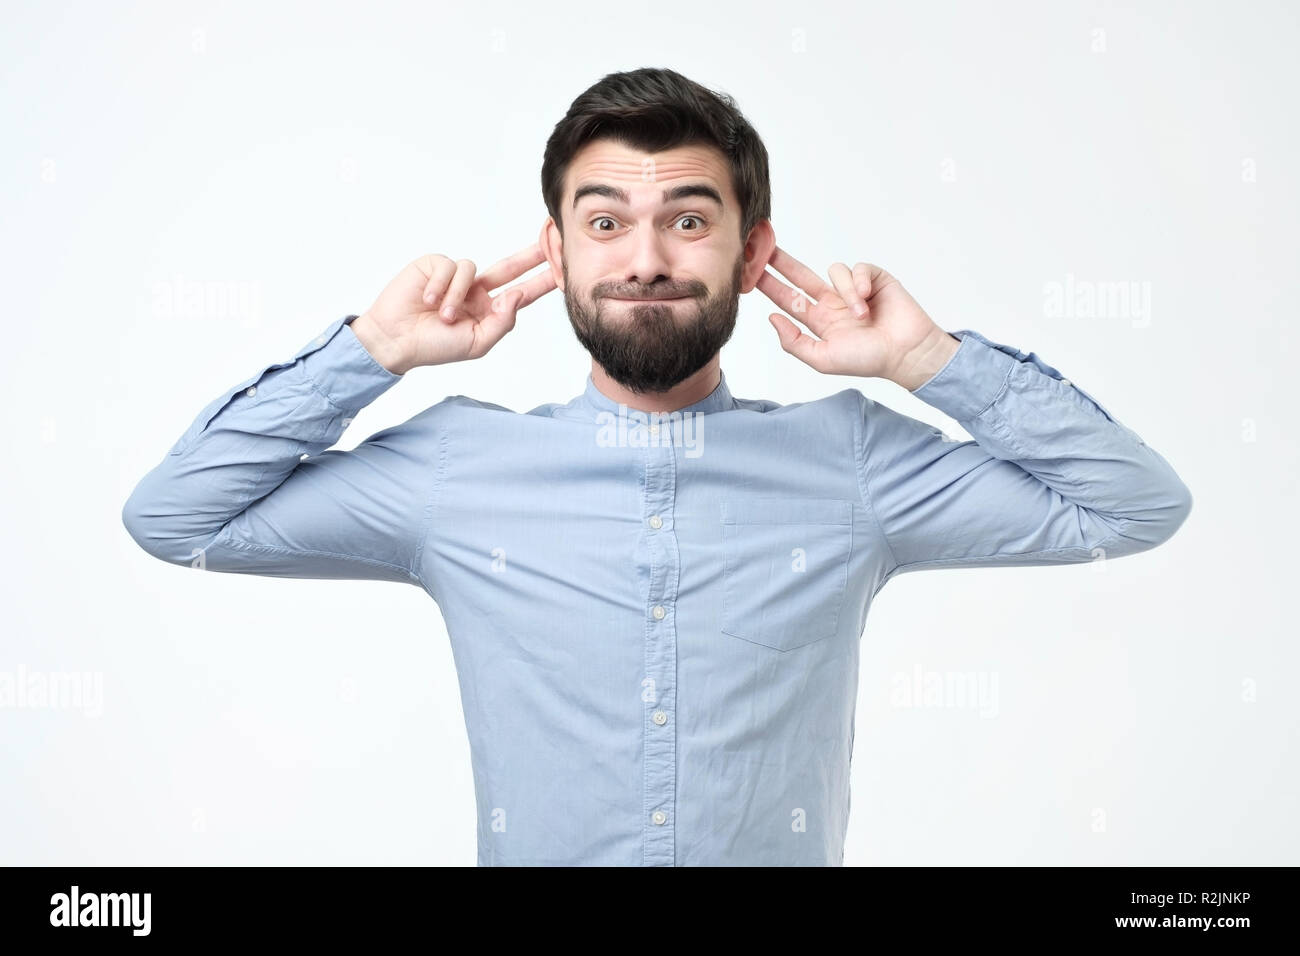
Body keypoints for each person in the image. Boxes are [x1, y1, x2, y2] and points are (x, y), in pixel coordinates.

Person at [121, 67, 1192, 866]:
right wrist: (372, 351)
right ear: (557, 251)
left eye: (688, 219)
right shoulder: (457, 467)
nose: (644, 259)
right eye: (605, 222)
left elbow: (1134, 503)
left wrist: (925, 361)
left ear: (751, 251)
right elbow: (177, 516)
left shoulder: (850, 460)